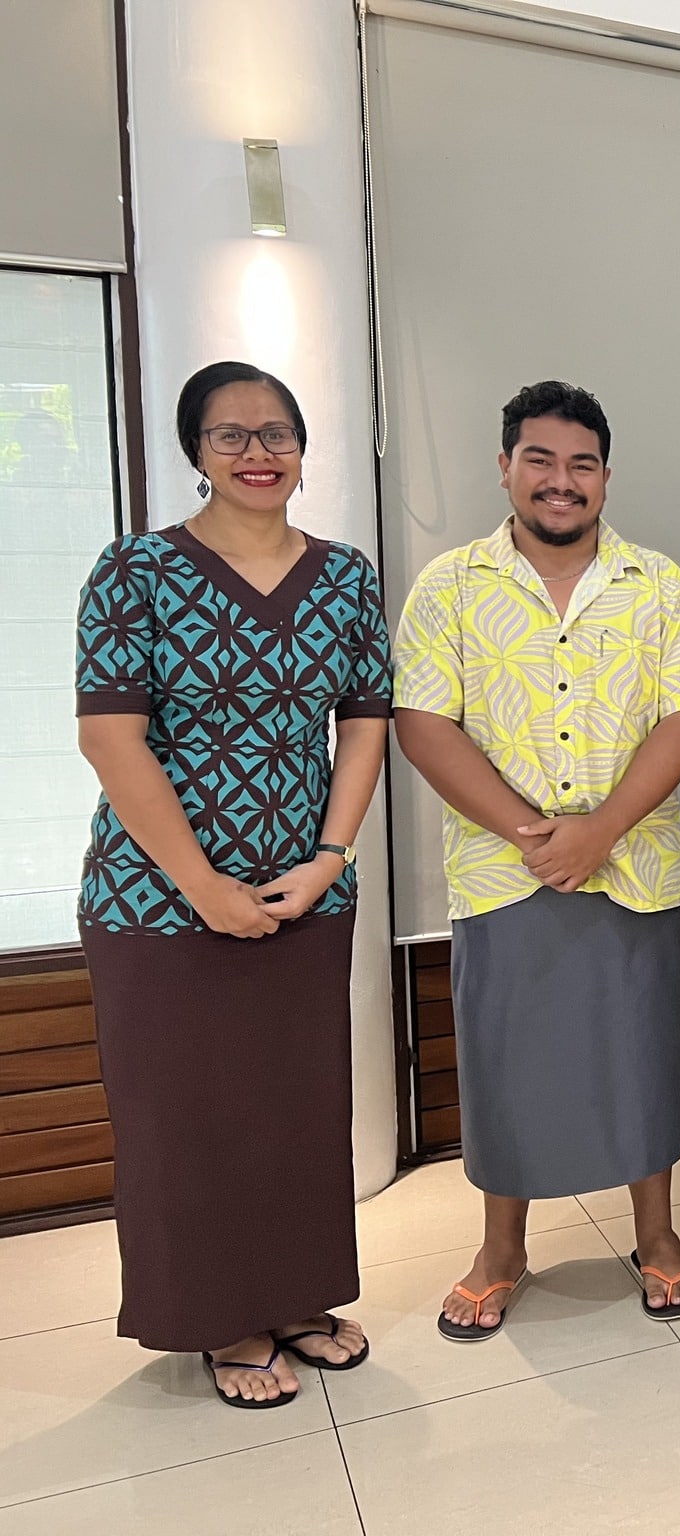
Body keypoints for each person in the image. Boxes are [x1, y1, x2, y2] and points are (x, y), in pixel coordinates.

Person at [74, 361, 389, 1407]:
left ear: (303, 447)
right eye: (230, 435)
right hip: (158, 903)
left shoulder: (344, 576)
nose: (258, 453)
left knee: (295, 1109)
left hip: (305, 891)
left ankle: (297, 1295)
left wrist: (331, 857)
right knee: (188, 1114)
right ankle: (220, 1318)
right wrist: (202, 884)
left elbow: (364, 724)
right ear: (194, 451)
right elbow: (112, 738)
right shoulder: (136, 572)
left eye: (276, 433)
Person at [393, 381, 680, 1340]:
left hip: (636, 865)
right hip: (503, 871)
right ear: (506, 468)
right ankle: (502, 1250)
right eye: (540, 460)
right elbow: (422, 723)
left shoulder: (659, 583)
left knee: (641, 1053)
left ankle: (656, 1236)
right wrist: (538, 833)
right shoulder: (449, 585)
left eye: (581, 464)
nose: (560, 482)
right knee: (508, 1061)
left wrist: (602, 829)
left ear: (606, 477)